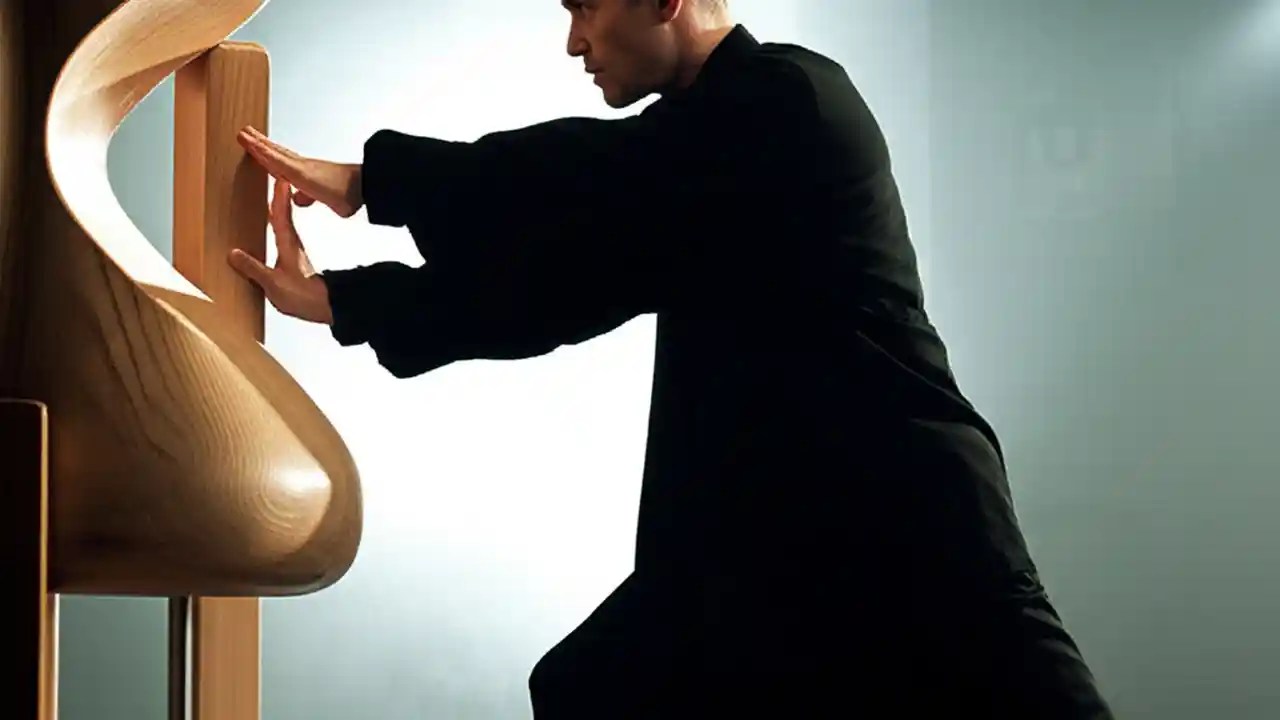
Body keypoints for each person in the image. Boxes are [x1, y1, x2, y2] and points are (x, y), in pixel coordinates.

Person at [229, 0, 1115, 717]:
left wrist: (371, 180)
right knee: (593, 691)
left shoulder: (791, 101)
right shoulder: (694, 170)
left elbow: (594, 175)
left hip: (916, 534)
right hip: (773, 555)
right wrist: (347, 300)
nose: (573, 41)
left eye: (583, 8)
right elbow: (561, 293)